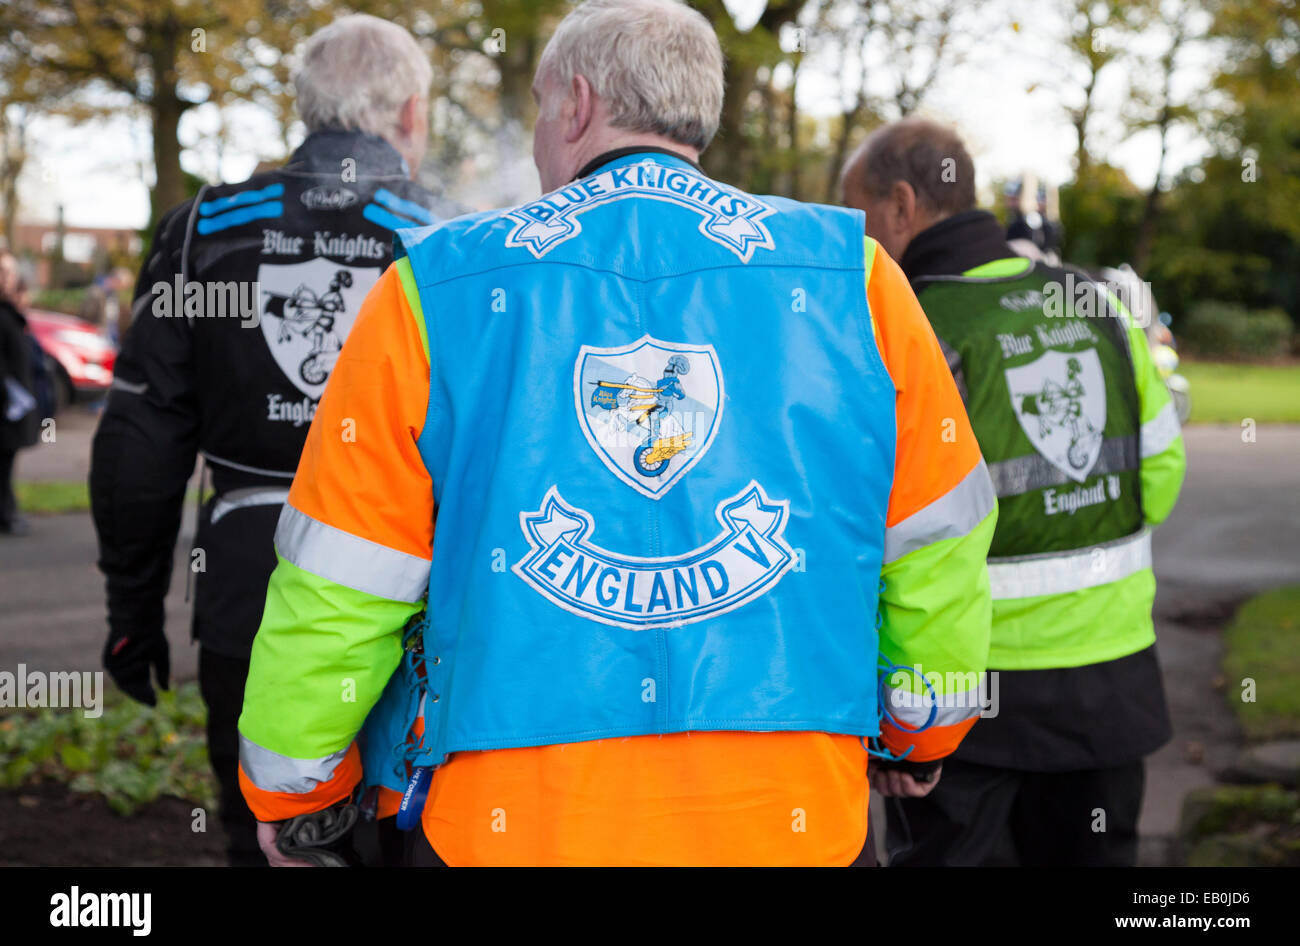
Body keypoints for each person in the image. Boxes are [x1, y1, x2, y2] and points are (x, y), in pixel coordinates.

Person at [237, 0, 997, 867]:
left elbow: (344, 574)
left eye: (536, 105)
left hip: (514, 824)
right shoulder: (853, 278)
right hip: (788, 816)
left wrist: (295, 786)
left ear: (578, 104)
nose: (532, 133)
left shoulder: (434, 288)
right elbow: (937, 536)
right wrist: (920, 727)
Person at [89, 13, 457, 866]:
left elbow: (139, 445)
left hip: (249, 588)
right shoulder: (455, 242)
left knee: (270, 841)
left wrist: (129, 614)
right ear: (409, 113)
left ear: (305, 107)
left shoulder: (202, 231)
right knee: (407, 834)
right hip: (415, 600)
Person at [841, 117, 1186, 866]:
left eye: (857, 212)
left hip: (965, 704)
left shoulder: (903, 324)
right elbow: (1159, 476)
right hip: (1110, 685)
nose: (854, 236)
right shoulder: (1097, 307)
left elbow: (883, 534)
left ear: (902, 204)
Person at [0, 252, 40, 536]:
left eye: (10, 272)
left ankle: (7, 511)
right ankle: (6, 514)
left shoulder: (10, 313)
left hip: (13, 405)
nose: (8, 277)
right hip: (6, 406)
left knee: (6, 464)